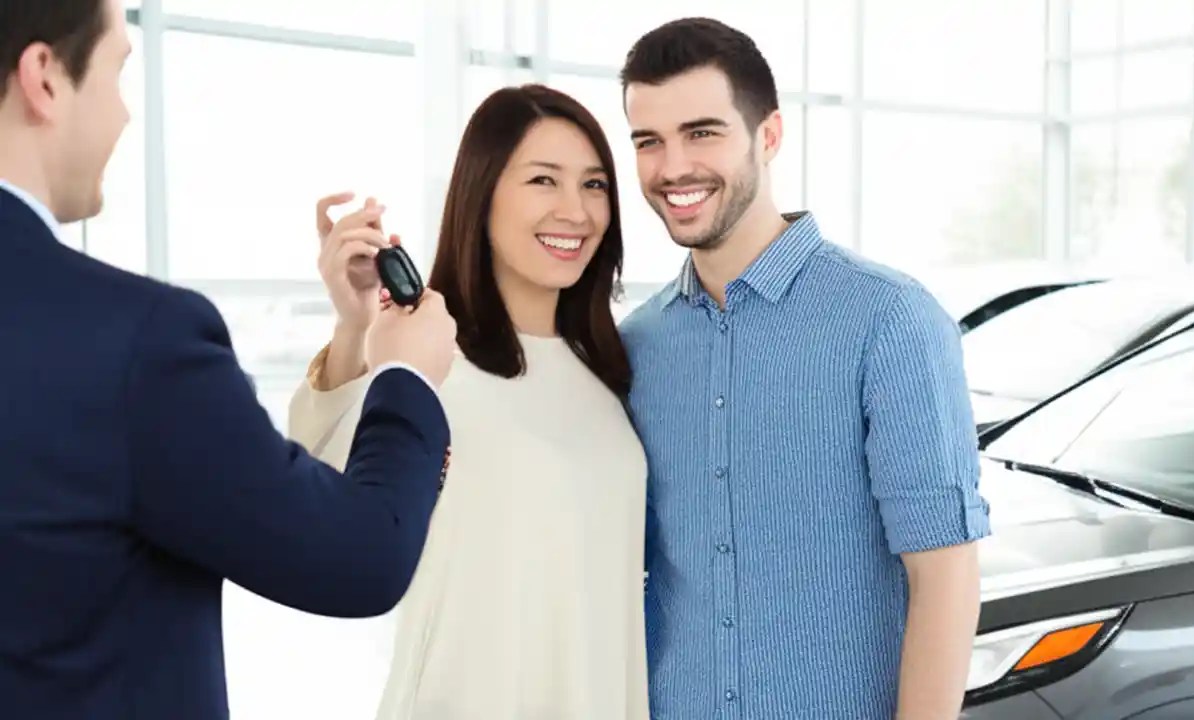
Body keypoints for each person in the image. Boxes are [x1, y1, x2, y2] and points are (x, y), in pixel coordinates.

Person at [0, 2, 457, 719]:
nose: (123, 116)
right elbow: (362, 558)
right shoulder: (139, 343)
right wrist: (404, 375)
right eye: (118, 72)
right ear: (44, 78)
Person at [617, 17, 991, 720]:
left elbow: (945, 574)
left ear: (770, 136)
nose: (672, 168)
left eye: (702, 132)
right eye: (648, 141)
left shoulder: (889, 320)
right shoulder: (636, 347)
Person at [289, 84, 649, 720]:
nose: (577, 211)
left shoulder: (611, 371)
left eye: (595, 185)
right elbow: (319, 494)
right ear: (482, 195)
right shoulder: (428, 360)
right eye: (544, 180)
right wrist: (353, 329)